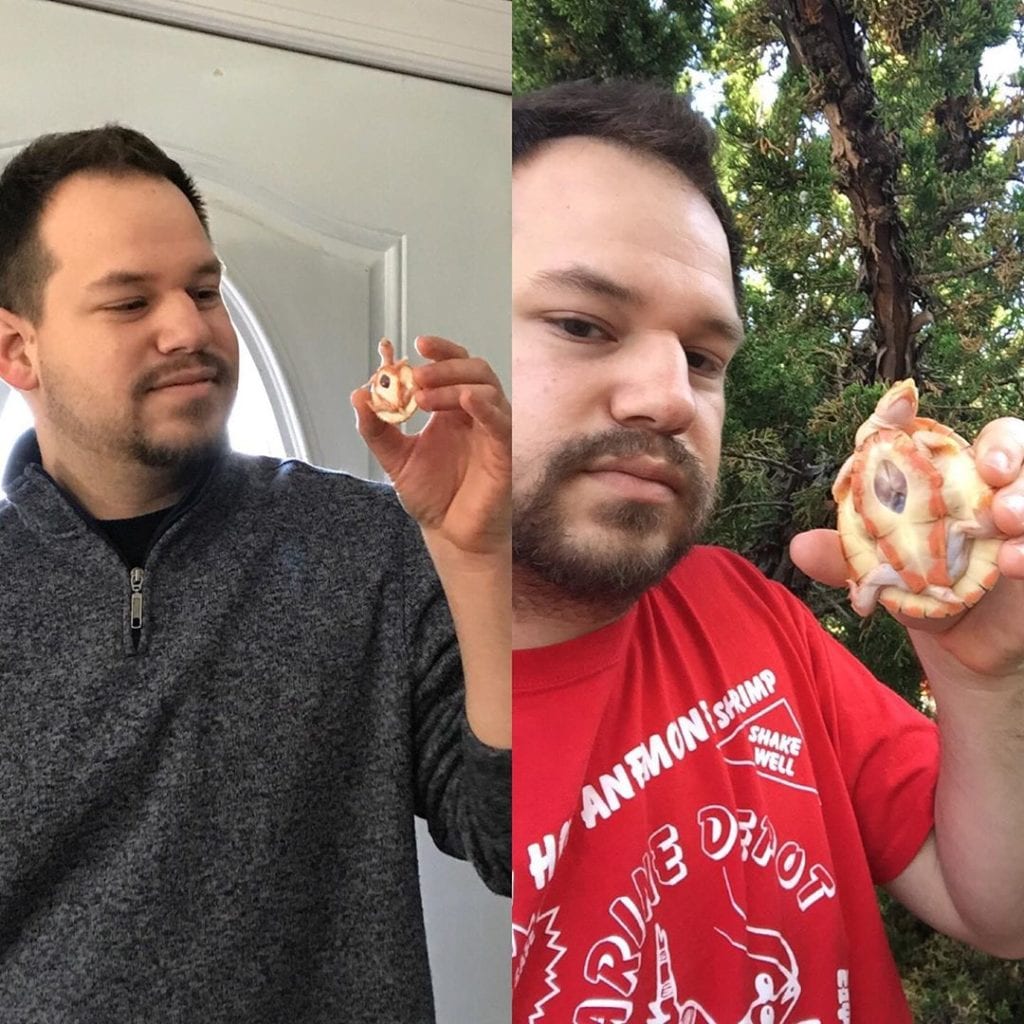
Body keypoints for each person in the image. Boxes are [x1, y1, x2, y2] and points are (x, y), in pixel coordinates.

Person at [511, 79, 1024, 1023]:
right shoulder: (377, 742)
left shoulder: (739, 607)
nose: (670, 398)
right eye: (582, 325)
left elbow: (997, 907)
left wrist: (987, 678)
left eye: (704, 358)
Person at [0, 125, 510, 1023]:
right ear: (17, 352)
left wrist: (479, 561)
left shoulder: (370, 549)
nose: (189, 329)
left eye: (204, 289)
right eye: (129, 304)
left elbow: (519, 846)